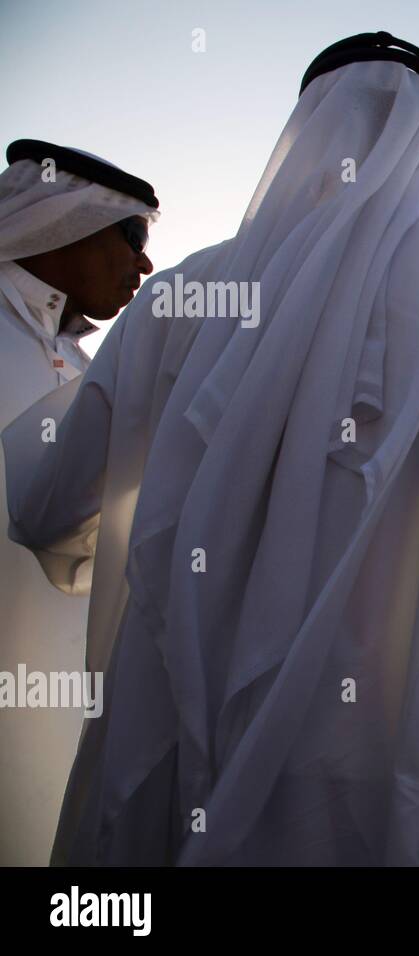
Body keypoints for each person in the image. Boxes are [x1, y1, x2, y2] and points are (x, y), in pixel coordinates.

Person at [3, 32, 419, 865]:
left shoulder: (180, 298)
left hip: (165, 776)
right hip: (365, 801)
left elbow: (44, 508)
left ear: (302, 132)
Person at [0, 139, 158, 864]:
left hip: (69, 693)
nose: (144, 264)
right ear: (65, 219)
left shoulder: (87, 366)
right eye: (132, 237)